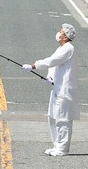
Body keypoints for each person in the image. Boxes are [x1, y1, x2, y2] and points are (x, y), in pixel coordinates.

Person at [22, 23, 80, 156]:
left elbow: (52, 61)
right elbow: (54, 66)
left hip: (65, 90)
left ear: (65, 37)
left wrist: (34, 65)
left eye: (61, 32)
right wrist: (50, 77)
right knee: (53, 116)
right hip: (57, 87)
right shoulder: (61, 48)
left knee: (63, 119)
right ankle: (57, 145)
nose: (58, 34)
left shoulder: (68, 48)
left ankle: (63, 149)